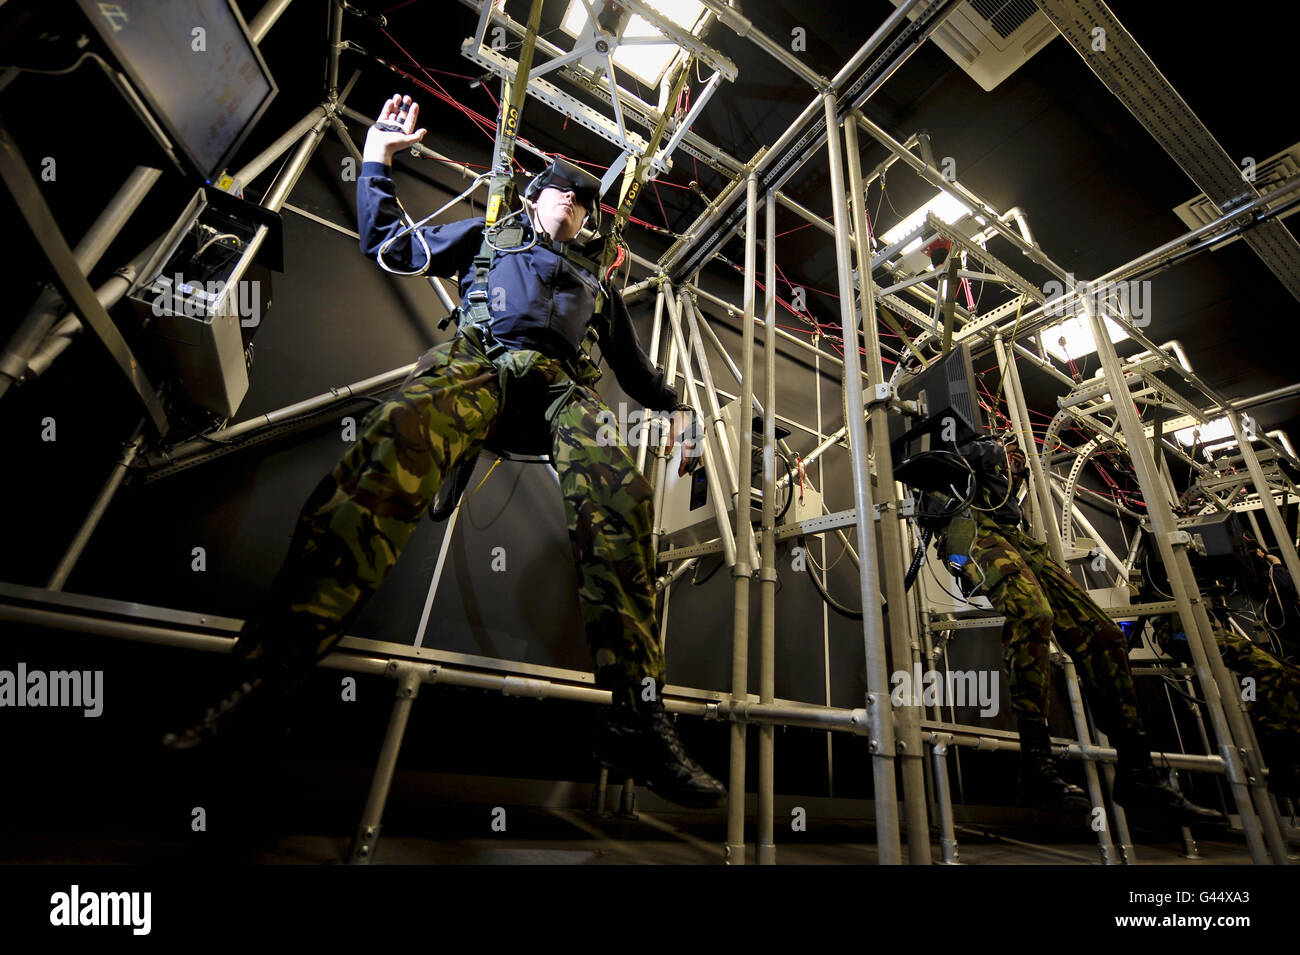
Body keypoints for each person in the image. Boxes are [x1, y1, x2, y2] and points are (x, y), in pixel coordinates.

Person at [163, 93, 726, 809]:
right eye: (567, 196)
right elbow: (390, 244)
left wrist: (682, 413)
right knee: (391, 443)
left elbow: (641, 375)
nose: (578, 210)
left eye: (587, 205)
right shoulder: (491, 239)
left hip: (559, 395)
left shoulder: (598, 289)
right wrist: (376, 161)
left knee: (623, 494)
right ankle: (273, 674)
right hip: (482, 364)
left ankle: (635, 714)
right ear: (538, 196)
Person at [937, 433, 1221, 822]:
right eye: (1009, 452)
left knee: (1102, 635)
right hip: (970, 530)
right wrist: (988, 452)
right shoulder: (949, 435)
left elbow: (1004, 491)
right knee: (1033, 613)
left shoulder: (1001, 476)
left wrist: (1012, 466)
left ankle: (1137, 772)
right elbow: (938, 466)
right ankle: (1036, 765)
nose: (1013, 458)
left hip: (1012, 537)